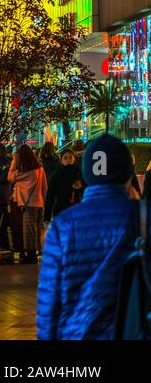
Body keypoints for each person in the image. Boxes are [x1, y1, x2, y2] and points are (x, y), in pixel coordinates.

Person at [38, 134, 139, 339]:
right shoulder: (143, 217)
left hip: (77, 333)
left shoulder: (62, 226)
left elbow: (49, 303)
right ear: (127, 172)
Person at [8, 144, 47, 264]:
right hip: (39, 202)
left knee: (29, 229)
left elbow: (10, 177)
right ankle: (37, 251)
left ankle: (31, 254)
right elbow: (45, 187)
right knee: (36, 228)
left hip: (27, 203)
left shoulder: (23, 173)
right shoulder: (40, 170)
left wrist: (13, 161)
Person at [45, 147, 83, 223]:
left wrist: (80, 188)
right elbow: (50, 196)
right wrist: (47, 218)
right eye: (65, 158)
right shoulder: (56, 175)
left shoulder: (79, 174)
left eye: (70, 158)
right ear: (61, 160)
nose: (68, 160)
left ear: (74, 159)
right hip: (60, 211)